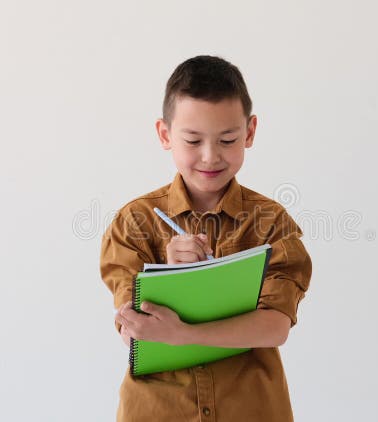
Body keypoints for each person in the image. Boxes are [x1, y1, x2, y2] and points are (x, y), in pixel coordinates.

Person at [100, 54, 313, 421]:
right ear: (165, 135)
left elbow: (275, 327)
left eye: (227, 139)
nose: (210, 156)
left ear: (250, 132)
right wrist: (168, 275)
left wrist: (182, 334)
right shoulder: (134, 222)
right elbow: (133, 333)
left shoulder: (272, 223)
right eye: (193, 140)